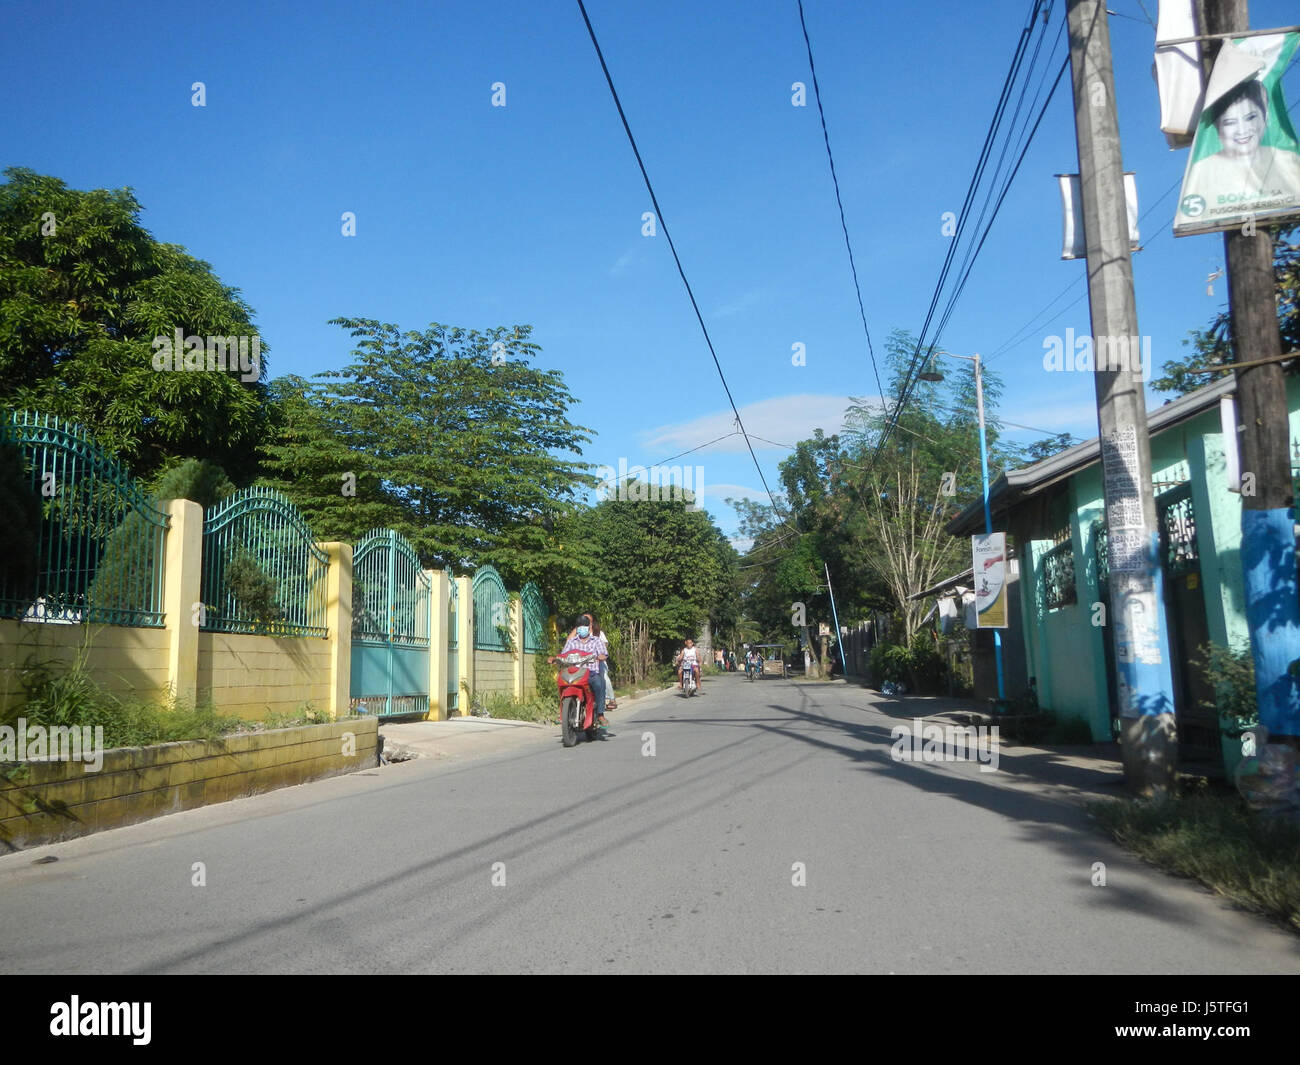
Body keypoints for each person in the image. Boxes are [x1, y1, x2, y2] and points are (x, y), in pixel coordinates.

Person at [1178, 77, 1300, 226]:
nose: (1242, 130)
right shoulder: (1203, 170)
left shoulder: (1286, 159)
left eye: (1250, 117)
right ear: (1217, 128)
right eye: (1230, 122)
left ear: (1265, 118)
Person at [552, 613, 608, 732]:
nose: (582, 628)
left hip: (590, 672)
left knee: (599, 683)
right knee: (561, 683)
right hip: (574, 672)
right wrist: (555, 659)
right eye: (579, 626)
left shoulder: (596, 641)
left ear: (589, 627)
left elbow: (603, 653)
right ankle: (563, 713)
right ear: (577, 629)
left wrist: (601, 656)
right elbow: (564, 654)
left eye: (584, 626)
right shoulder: (571, 642)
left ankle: (600, 714)